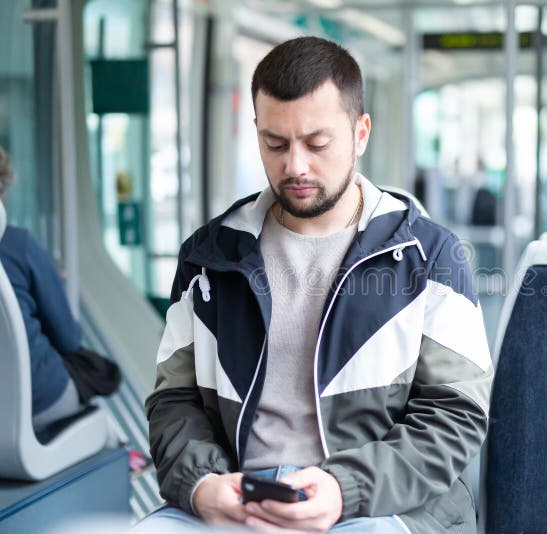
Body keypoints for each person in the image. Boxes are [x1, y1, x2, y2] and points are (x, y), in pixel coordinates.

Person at [144, 36, 493, 533]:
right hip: (238, 495)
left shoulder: (430, 255)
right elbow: (173, 398)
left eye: (317, 144)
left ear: (361, 133)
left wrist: (343, 488)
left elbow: (456, 416)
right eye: (275, 144)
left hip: (378, 505)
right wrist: (201, 483)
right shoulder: (209, 256)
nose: (295, 166)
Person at [0, 145, 115, 428]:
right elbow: (68, 339)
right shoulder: (19, 245)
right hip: (38, 402)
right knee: (97, 374)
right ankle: (121, 447)